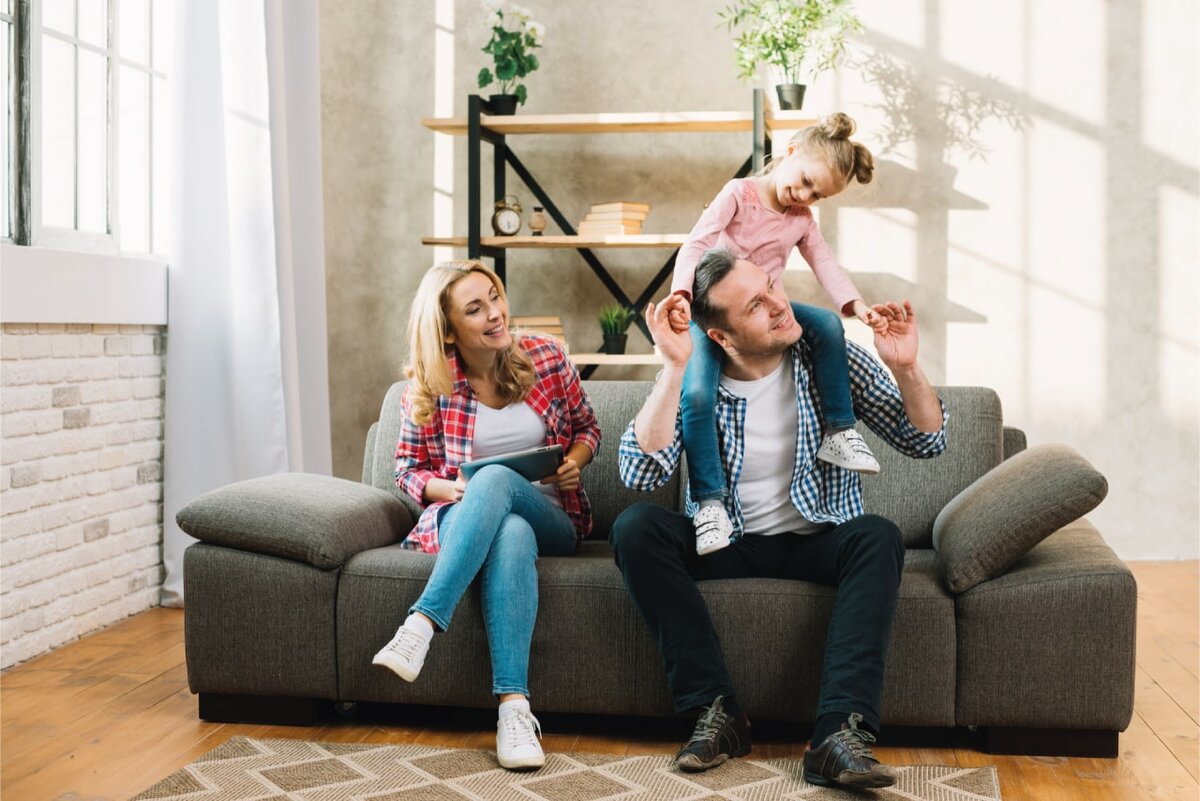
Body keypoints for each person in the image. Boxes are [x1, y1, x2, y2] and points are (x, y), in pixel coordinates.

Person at [612, 248, 947, 789]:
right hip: (726, 542)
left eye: (771, 285)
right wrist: (673, 368)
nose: (778, 304)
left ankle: (836, 737)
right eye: (754, 305)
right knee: (635, 527)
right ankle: (717, 713)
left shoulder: (829, 358)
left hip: (818, 539)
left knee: (877, 536)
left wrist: (906, 367)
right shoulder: (695, 378)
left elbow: (926, 440)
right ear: (720, 336)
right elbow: (639, 472)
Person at [373, 260, 601, 770]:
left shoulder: (545, 356)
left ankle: (421, 624)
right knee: (508, 527)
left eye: (495, 297)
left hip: (551, 516)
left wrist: (573, 463)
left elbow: (589, 428)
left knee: (496, 480)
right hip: (466, 514)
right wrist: (450, 487)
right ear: (448, 330)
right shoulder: (430, 385)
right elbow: (407, 471)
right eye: (475, 309)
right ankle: (514, 711)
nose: (496, 313)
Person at [670, 112, 888, 556]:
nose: (805, 196)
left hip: (768, 311)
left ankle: (839, 431)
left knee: (826, 324)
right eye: (806, 181)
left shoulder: (801, 219)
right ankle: (710, 504)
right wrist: (681, 294)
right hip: (718, 315)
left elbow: (824, 262)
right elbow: (698, 242)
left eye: (817, 195)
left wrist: (856, 305)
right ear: (790, 151)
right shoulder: (739, 194)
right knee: (698, 394)